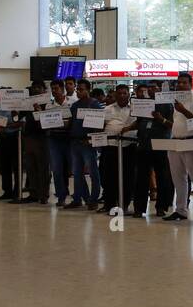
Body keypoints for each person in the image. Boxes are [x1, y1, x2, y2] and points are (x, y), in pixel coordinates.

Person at [162, 72, 193, 224]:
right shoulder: (176, 99)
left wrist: (183, 110)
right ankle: (180, 210)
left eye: (184, 83)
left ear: (191, 84)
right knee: (178, 178)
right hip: (176, 141)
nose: (181, 85)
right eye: (179, 82)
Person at [131, 82, 173, 217]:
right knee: (141, 177)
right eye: (149, 88)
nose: (151, 90)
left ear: (160, 90)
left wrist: (160, 119)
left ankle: (161, 207)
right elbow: (138, 122)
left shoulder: (167, 105)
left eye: (154, 87)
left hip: (160, 144)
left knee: (162, 177)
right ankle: (139, 208)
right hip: (143, 144)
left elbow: (171, 125)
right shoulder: (142, 103)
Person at [66, 80, 102, 210]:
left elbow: (99, 124)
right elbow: (71, 122)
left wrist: (93, 140)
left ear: (88, 89)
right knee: (77, 173)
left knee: (93, 172)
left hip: (88, 142)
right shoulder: (75, 105)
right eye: (78, 90)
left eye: (81, 89)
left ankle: (93, 199)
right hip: (75, 141)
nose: (79, 92)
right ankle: (78, 198)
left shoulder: (94, 104)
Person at [101, 83, 137, 213]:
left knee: (128, 177)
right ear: (115, 95)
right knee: (109, 177)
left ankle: (125, 204)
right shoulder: (107, 109)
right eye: (119, 93)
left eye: (124, 93)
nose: (122, 95)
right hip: (111, 146)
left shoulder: (135, 109)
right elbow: (99, 125)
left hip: (129, 146)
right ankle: (109, 204)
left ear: (128, 95)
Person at [45, 80, 73, 207]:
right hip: (54, 140)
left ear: (63, 89)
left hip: (70, 140)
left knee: (73, 169)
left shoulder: (72, 104)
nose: (54, 91)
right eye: (52, 89)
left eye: (56, 88)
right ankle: (61, 196)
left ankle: (78, 196)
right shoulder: (49, 106)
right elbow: (46, 124)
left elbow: (73, 123)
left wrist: (61, 123)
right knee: (56, 169)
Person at [20, 82, 50, 204]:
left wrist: (39, 111)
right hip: (29, 137)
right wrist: (15, 112)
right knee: (30, 168)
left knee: (42, 168)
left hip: (42, 138)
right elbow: (19, 117)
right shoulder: (28, 103)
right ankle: (33, 193)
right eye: (34, 87)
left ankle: (44, 194)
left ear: (43, 89)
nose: (36, 89)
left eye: (39, 87)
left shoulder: (48, 104)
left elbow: (48, 121)